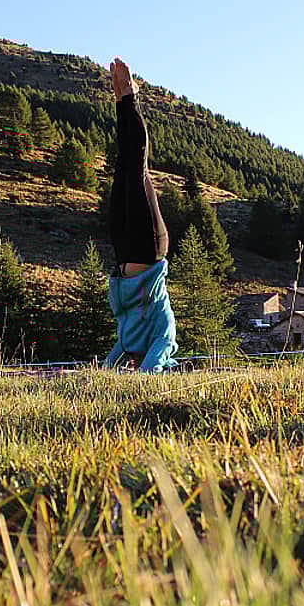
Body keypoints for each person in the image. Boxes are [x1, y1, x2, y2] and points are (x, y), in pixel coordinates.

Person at [103, 58, 178, 373]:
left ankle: (120, 100)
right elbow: (161, 352)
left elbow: (110, 364)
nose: (132, 366)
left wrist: (105, 374)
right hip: (149, 247)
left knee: (121, 167)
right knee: (136, 164)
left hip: (123, 253)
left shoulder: (128, 341)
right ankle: (130, 95)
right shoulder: (164, 331)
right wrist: (147, 372)